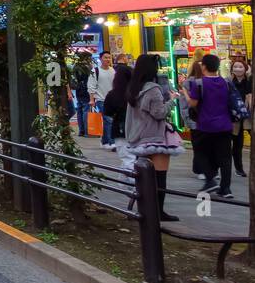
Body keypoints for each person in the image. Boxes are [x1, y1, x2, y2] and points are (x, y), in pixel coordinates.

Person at [125, 53, 180, 221]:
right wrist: (172, 100)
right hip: (155, 137)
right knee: (159, 177)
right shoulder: (153, 89)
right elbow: (159, 113)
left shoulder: (134, 88)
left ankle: (139, 208)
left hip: (138, 136)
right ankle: (158, 212)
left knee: (143, 177)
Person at [188, 54, 236, 199]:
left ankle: (210, 179)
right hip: (225, 124)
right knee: (226, 157)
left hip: (205, 125)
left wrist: (185, 94)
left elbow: (193, 103)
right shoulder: (226, 82)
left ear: (203, 67)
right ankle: (226, 189)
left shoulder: (198, 84)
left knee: (201, 152)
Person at [87, 51, 116, 147]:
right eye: (105, 57)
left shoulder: (113, 70)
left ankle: (104, 141)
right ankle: (111, 142)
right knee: (108, 120)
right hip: (101, 99)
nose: (108, 59)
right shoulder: (95, 71)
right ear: (100, 59)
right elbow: (91, 86)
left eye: (109, 58)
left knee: (108, 120)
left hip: (112, 100)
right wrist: (92, 100)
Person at [229, 59, 250, 179]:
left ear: (245, 68)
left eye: (240, 67)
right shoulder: (229, 82)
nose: (237, 69)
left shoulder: (249, 81)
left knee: (240, 143)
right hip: (234, 117)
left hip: (247, 116)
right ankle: (239, 168)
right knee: (237, 144)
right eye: (235, 67)